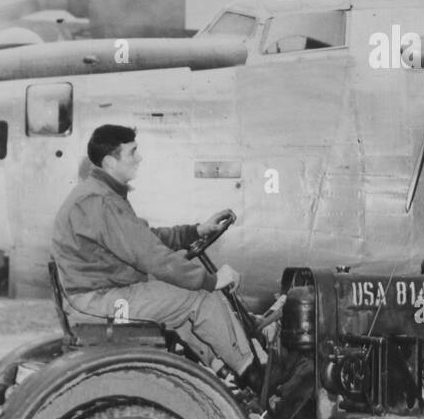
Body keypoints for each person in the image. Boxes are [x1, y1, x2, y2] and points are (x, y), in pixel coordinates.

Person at [51, 124, 271, 397]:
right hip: (97, 303)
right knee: (199, 296)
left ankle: (226, 374)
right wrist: (212, 281)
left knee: (180, 300)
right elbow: (151, 256)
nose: (138, 158)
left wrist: (195, 231)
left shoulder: (100, 194)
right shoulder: (100, 201)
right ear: (110, 162)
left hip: (98, 297)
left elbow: (143, 238)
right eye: (132, 153)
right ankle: (258, 378)